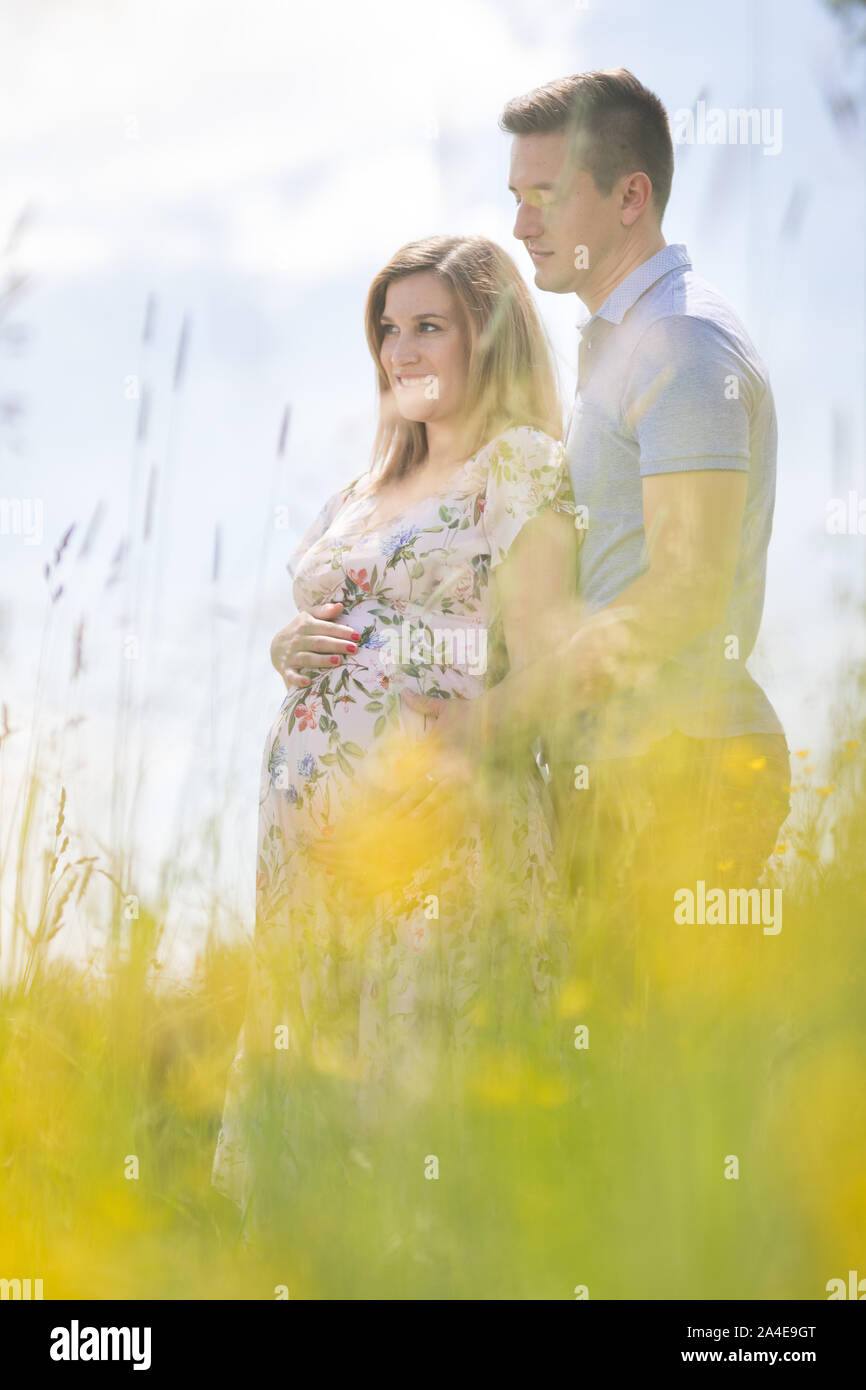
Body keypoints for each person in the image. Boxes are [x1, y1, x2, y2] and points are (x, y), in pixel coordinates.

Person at [211, 234, 577, 1223]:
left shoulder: (520, 469)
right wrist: (289, 648)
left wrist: (479, 729)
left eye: (428, 327)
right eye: (387, 328)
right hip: (309, 857)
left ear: (486, 338)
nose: (401, 351)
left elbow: (553, 658)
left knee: (420, 1105)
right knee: (317, 1086)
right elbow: (345, 624)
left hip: (438, 833)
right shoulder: (358, 491)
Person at [404, 70, 791, 941]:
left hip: (682, 767)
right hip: (621, 770)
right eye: (514, 196)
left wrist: (497, 721)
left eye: (544, 196)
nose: (519, 225)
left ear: (631, 197)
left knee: (674, 1065)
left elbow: (683, 593)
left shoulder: (684, 346)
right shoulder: (619, 349)